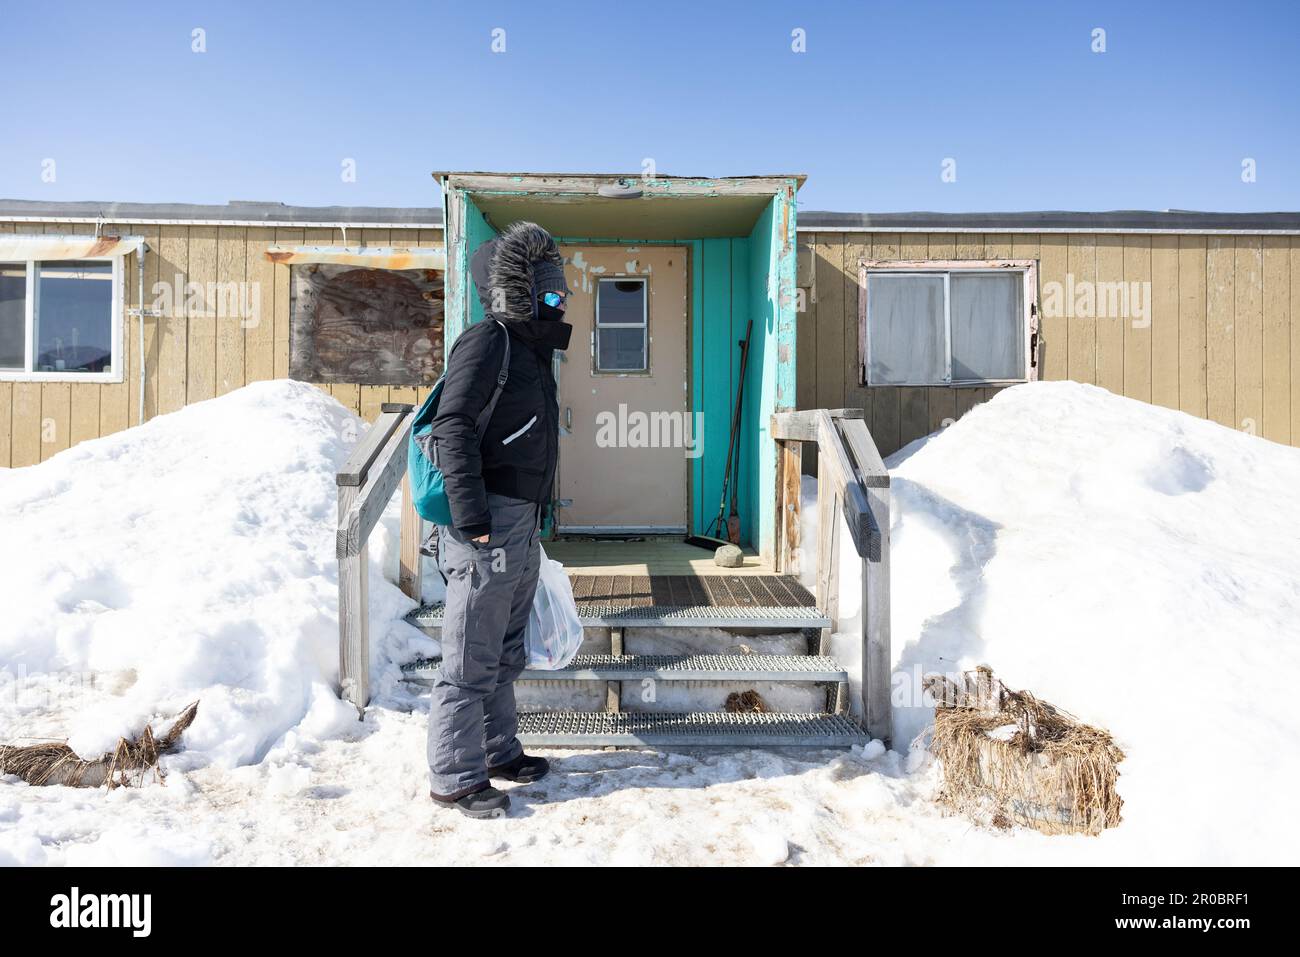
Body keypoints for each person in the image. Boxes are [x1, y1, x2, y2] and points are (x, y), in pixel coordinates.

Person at [425, 221, 572, 818]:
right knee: (470, 652)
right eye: (552, 295)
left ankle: (497, 750)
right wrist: (473, 515)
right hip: (485, 523)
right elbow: (451, 424)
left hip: (520, 522)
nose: (561, 304)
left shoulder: (531, 352)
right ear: (522, 293)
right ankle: (455, 776)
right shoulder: (488, 341)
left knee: (506, 647)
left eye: (563, 295)